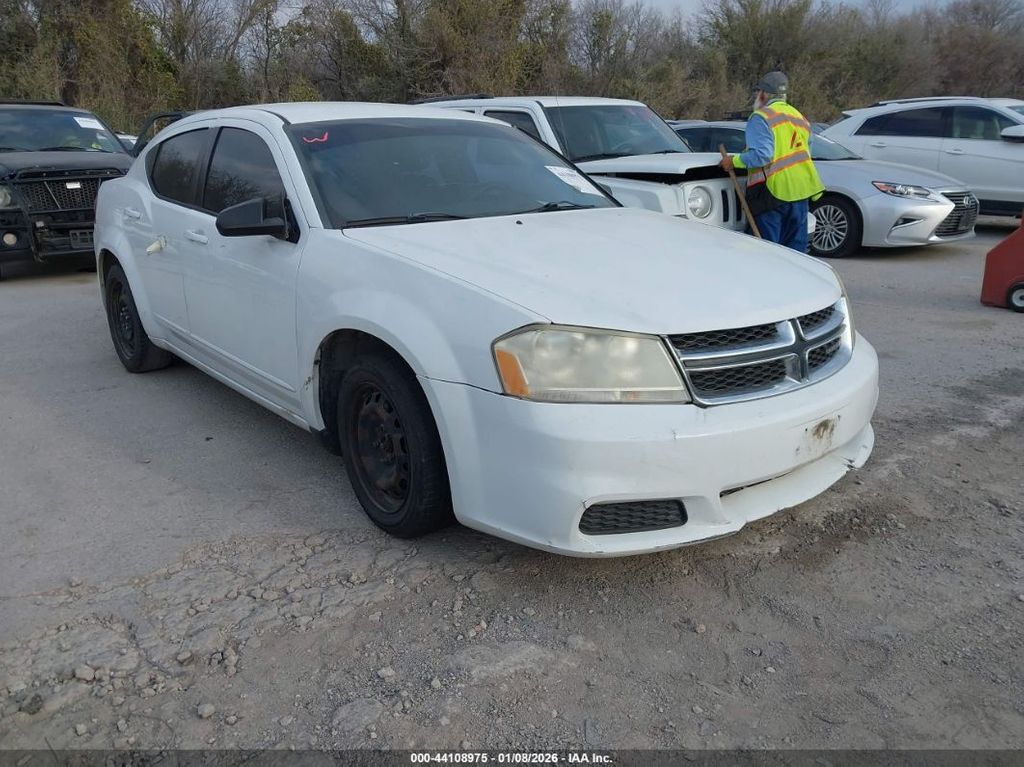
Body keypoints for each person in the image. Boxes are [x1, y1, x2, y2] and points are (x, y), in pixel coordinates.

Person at [720, 71, 824, 252]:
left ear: (763, 94)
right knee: (796, 254)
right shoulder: (799, 117)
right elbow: (807, 151)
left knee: (768, 253)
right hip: (801, 191)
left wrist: (733, 161)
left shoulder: (762, 117)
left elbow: (763, 155)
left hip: (773, 192)